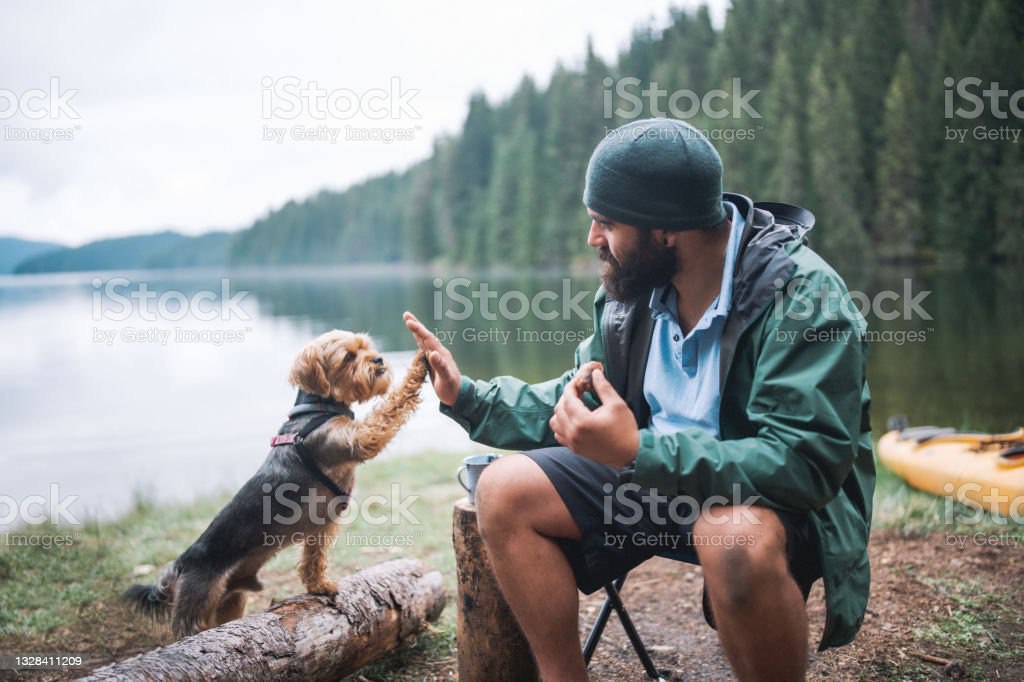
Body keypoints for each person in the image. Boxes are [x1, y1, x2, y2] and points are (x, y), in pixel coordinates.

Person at [404, 117, 873, 682]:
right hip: (651, 482)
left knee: (730, 537)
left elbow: (804, 463)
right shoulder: (632, 292)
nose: (592, 239)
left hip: (763, 500)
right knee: (503, 490)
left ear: (666, 229)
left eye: (605, 222)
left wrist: (636, 451)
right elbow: (576, 394)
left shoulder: (802, 297)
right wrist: (470, 398)